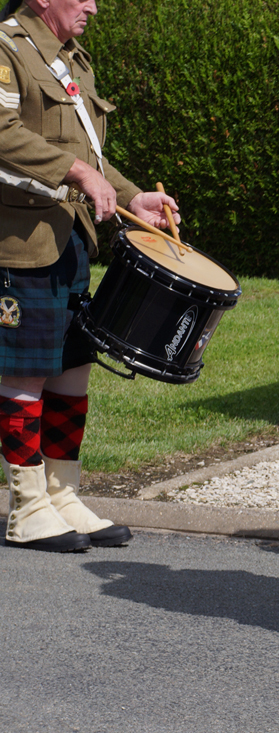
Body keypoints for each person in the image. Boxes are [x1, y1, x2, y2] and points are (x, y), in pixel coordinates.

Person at [0, 0, 179, 552]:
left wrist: (131, 197)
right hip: (21, 244)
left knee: (72, 368)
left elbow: (88, 154)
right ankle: (27, 507)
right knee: (25, 374)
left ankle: (62, 494)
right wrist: (76, 172)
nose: (94, 6)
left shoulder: (70, 57)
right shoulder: (6, 48)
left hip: (71, 236)